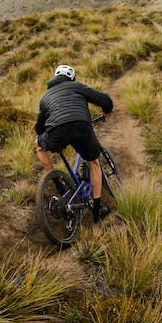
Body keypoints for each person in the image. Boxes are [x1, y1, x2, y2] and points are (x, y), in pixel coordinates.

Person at [35, 64, 114, 222]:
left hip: (57, 131)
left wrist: (47, 135)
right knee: (93, 163)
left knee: (38, 144)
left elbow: (39, 127)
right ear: (71, 78)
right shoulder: (77, 86)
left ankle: (58, 183)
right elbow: (104, 99)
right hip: (81, 126)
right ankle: (97, 212)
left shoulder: (45, 97)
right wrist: (107, 111)